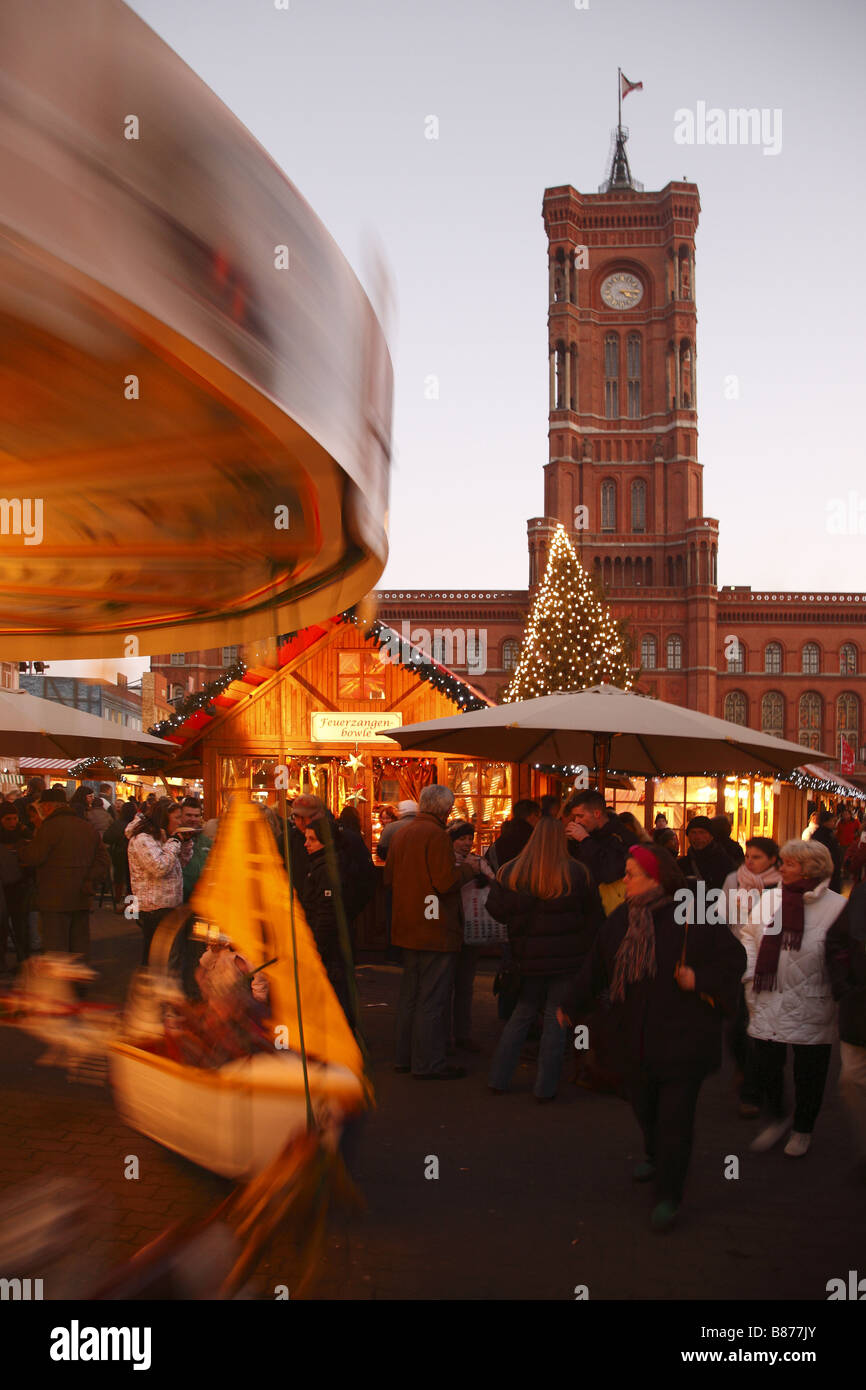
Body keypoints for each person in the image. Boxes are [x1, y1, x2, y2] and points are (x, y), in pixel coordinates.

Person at [559, 844, 746, 1231]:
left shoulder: (693, 914)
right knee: (644, 1105)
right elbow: (596, 964)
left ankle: (669, 1194)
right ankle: (654, 1153)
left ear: (656, 878)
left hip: (685, 1038)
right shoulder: (621, 918)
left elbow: (734, 958)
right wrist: (571, 1004)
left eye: (631, 873)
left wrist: (700, 979)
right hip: (634, 1035)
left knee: (675, 1118)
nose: (623, 879)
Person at [738, 838, 847, 1158]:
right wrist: (749, 973)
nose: (781, 868)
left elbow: (844, 953)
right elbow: (749, 936)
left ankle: (803, 1127)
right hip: (767, 994)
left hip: (813, 998)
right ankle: (777, 1117)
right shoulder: (770, 900)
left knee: (809, 1071)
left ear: (810, 869)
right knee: (767, 1065)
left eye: (788, 863)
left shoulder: (838, 907)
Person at [486, 817, 602, 1101]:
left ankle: (499, 1079)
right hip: (567, 960)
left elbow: (497, 910)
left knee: (522, 1015)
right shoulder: (577, 873)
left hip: (526, 959)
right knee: (555, 1018)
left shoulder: (511, 872)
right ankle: (545, 1087)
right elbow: (594, 919)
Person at [385, 784, 477, 1080]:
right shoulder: (436, 836)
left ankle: (405, 1057)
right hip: (434, 930)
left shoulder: (401, 834)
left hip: (407, 927)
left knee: (410, 996)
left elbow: (388, 879)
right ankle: (428, 1063)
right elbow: (445, 882)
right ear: (444, 809)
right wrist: (468, 869)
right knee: (432, 999)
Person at [721, 837, 782, 1118]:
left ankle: (755, 1091)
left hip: (770, 962)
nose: (749, 861)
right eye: (748, 855)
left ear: (772, 859)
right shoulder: (734, 880)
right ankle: (746, 1071)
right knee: (736, 1027)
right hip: (736, 959)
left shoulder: (781, 884)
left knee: (762, 1027)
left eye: (757, 857)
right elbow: (721, 915)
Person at [18, 786, 110, 958]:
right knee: (79, 945)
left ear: (47, 806)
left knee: (56, 949)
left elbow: (34, 857)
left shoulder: (49, 828)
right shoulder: (87, 827)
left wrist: (22, 848)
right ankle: (78, 982)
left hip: (54, 899)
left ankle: (61, 984)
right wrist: (89, 880)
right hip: (81, 896)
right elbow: (103, 860)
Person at [826, 880, 866, 1182]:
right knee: (851, 1079)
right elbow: (838, 940)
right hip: (860, 1003)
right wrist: (844, 987)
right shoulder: (863, 892)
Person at [300, 816, 356, 1026]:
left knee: (335, 994)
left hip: (330, 946)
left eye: (312, 840)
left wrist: (318, 946)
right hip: (331, 943)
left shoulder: (327, 868)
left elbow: (327, 912)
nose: (306, 844)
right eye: (307, 839)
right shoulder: (321, 864)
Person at [127, 801, 195, 963]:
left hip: (170, 905)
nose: (181, 821)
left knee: (167, 956)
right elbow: (159, 867)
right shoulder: (143, 839)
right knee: (158, 958)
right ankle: (150, 986)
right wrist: (175, 842)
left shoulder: (164, 837)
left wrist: (185, 843)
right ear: (164, 818)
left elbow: (181, 863)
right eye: (177, 817)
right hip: (154, 908)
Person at [448, 820, 495, 1053]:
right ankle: (445, 1035)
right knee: (446, 985)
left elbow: (494, 885)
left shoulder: (478, 861)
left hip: (473, 927)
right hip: (451, 929)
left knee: (465, 985)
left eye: (470, 838)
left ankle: (462, 1034)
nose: (467, 843)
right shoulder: (445, 861)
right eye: (462, 839)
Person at [562, 790, 638, 910]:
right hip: (588, 907)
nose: (576, 821)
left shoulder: (620, 836)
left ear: (597, 813)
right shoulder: (590, 834)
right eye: (575, 816)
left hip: (614, 911)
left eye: (580, 816)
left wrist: (585, 840)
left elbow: (610, 873)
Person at [677, 816, 732, 893]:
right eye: (693, 833)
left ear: (711, 836)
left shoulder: (724, 862)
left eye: (702, 832)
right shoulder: (682, 864)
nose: (697, 837)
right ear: (688, 836)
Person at [486, 800, 540, 872]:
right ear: (530, 816)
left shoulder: (506, 835)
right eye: (537, 815)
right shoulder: (529, 838)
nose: (539, 819)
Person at [811, 811, 844, 894]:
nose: (834, 824)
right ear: (825, 822)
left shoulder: (827, 833)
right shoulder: (822, 835)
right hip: (826, 869)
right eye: (833, 821)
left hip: (830, 868)